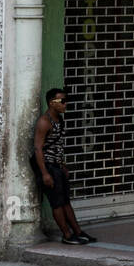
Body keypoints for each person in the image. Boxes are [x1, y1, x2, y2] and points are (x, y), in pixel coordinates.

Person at [30, 89, 96, 245]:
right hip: (47, 166)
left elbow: (58, 146)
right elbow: (38, 148)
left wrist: (62, 164)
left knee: (65, 200)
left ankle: (78, 232)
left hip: (57, 165)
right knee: (57, 202)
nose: (66, 104)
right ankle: (66, 235)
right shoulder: (44, 122)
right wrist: (45, 173)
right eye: (62, 101)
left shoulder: (59, 119)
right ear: (52, 103)